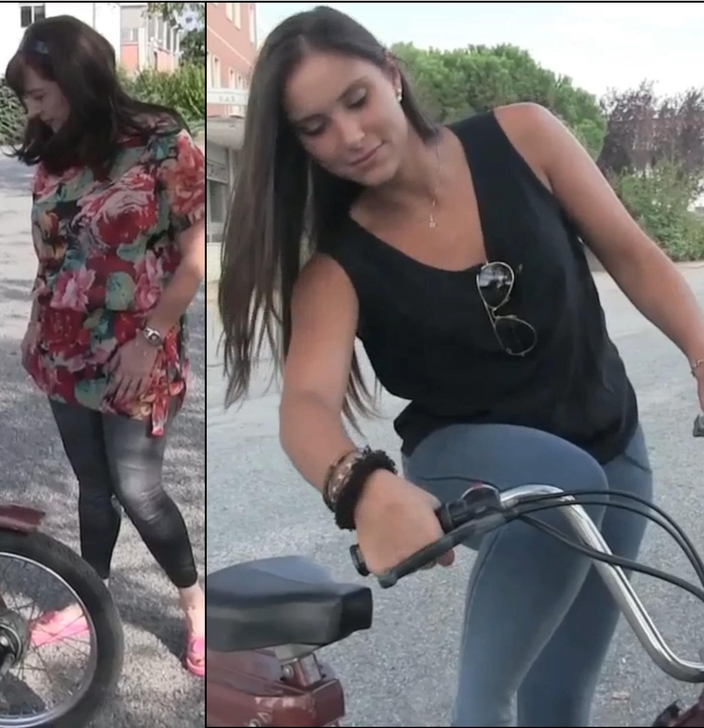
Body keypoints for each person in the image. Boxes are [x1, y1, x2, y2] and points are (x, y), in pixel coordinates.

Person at [216, 5, 704, 726]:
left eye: (356, 100)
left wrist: (699, 349)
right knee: (490, 697)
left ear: (390, 73)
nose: (349, 135)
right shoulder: (337, 267)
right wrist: (363, 488)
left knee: (560, 698)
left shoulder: (525, 135)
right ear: (301, 146)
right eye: (316, 127)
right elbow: (306, 406)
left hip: (614, 445)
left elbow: (633, 253)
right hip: (469, 460)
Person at [5, 16, 207, 677]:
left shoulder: (161, 142)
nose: (32, 112)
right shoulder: (54, 149)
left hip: (135, 349)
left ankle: (199, 610)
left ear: (76, 78)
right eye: (27, 100)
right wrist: (37, 323)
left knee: (139, 489)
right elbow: (54, 253)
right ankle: (94, 600)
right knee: (94, 488)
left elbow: (194, 262)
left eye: (39, 95)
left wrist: (151, 340)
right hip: (64, 347)